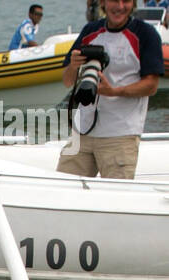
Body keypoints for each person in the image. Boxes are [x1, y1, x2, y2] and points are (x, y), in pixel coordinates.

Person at [57, 0, 164, 179]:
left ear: (133, 4)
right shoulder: (90, 30)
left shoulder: (145, 34)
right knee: (64, 190)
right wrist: (73, 67)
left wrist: (114, 91)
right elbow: (67, 81)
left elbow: (151, 85)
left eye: (126, 1)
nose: (120, 6)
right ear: (103, 3)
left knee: (117, 197)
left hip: (120, 134)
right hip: (83, 131)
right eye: (114, 0)